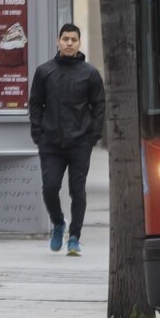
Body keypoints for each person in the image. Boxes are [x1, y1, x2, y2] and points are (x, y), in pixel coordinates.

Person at [29, 23, 105, 255]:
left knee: (77, 190)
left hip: (80, 142)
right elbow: (35, 103)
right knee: (50, 187)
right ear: (58, 41)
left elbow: (99, 105)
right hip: (51, 142)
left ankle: (74, 237)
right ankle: (58, 223)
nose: (69, 43)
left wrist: (93, 135)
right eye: (65, 39)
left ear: (79, 43)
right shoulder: (44, 71)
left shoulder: (90, 73)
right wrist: (38, 133)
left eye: (73, 40)